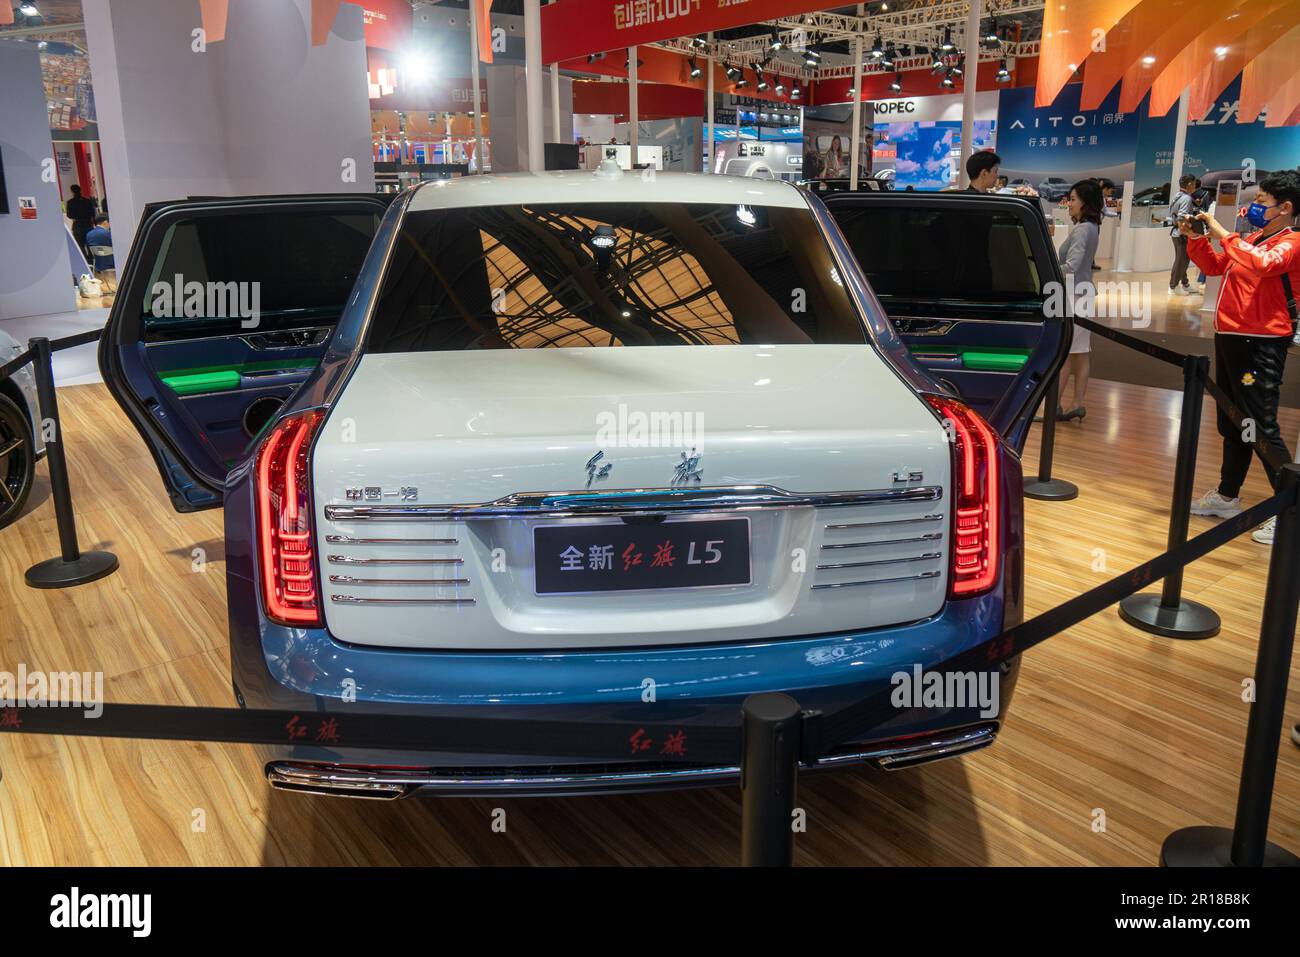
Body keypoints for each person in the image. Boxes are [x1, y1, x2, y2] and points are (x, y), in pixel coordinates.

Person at [1187, 169, 1300, 546]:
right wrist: (1197, 240)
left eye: (1262, 202)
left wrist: (1222, 232)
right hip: (1231, 338)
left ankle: (1291, 511)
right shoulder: (1253, 239)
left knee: (1261, 425)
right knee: (1233, 420)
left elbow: (1262, 265)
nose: (1253, 207)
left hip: (1261, 343)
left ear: (1285, 208)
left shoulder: (1291, 243)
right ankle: (1227, 495)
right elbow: (1216, 266)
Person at [1055, 179, 1102, 421]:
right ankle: (1076, 403)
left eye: (1073, 199)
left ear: (1085, 202)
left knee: (1065, 352)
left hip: (1074, 295)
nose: (1069, 204)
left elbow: (1072, 265)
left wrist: (1050, 270)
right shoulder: (1092, 227)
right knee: (1080, 352)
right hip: (1082, 293)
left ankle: (1055, 405)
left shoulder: (1083, 229)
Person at [1166, 173, 1197, 294]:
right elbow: (1181, 218)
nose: (1195, 186)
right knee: (1181, 261)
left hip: (1175, 233)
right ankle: (1172, 286)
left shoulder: (1176, 196)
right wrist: (1187, 232)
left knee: (1182, 259)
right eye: (1194, 184)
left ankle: (1185, 283)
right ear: (1189, 184)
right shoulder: (1186, 198)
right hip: (1181, 234)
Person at [84, 213, 115, 292]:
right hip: (111, 262)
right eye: (109, 223)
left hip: (97, 263)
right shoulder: (108, 234)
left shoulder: (89, 234)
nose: (110, 225)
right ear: (105, 222)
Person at [65, 184, 96, 255]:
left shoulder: (70, 202)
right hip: (88, 224)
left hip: (77, 225)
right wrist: (95, 223)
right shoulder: (87, 201)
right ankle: (91, 258)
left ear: (72, 192)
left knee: (80, 245)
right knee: (90, 243)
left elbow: (69, 215)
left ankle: (85, 260)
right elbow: (92, 213)